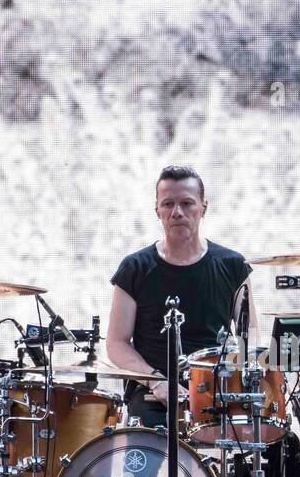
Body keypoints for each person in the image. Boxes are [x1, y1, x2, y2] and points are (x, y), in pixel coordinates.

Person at [107, 165, 254, 428]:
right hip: (152, 391)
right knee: (148, 445)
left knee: (271, 438)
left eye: (187, 203)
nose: (177, 212)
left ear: (203, 208)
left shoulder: (232, 265)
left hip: (218, 385)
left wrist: (238, 370)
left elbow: (250, 330)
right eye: (168, 204)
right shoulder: (135, 268)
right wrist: (157, 382)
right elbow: (116, 343)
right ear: (158, 211)